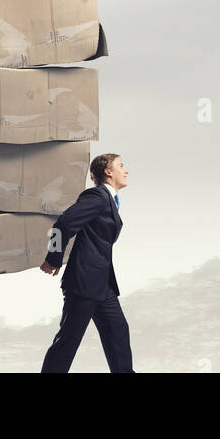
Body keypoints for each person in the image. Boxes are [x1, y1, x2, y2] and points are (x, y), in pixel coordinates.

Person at [39, 152, 135, 373]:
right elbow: (62, 224)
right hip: (84, 283)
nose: (126, 170)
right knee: (67, 343)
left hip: (103, 285)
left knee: (118, 335)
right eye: (121, 165)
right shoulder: (97, 196)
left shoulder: (109, 200)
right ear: (108, 172)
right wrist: (53, 258)